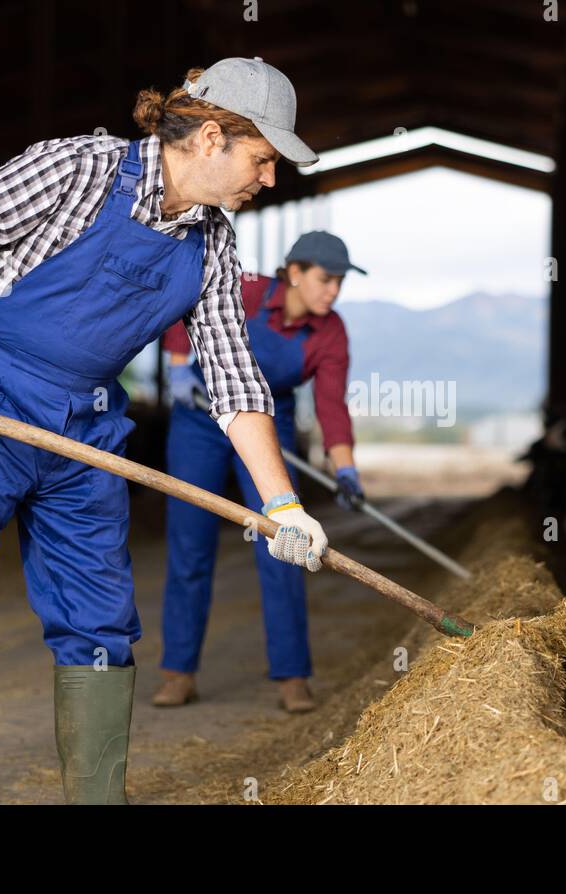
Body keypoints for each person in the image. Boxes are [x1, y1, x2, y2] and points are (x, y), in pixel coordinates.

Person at [0, 58, 330, 805]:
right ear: (211, 138)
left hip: (85, 428)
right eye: (264, 159)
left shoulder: (213, 244)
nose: (269, 180)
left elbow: (235, 381)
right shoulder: (77, 169)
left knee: (100, 620)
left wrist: (282, 506)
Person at [154, 232, 366, 713]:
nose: (333, 291)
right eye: (325, 279)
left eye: (340, 282)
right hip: (200, 419)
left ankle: (293, 677)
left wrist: (346, 469)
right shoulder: (244, 287)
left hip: (271, 423)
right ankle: (178, 672)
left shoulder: (330, 331)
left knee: (285, 542)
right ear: (294, 273)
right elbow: (183, 306)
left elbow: (332, 405)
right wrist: (182, 367)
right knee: (190, 543)